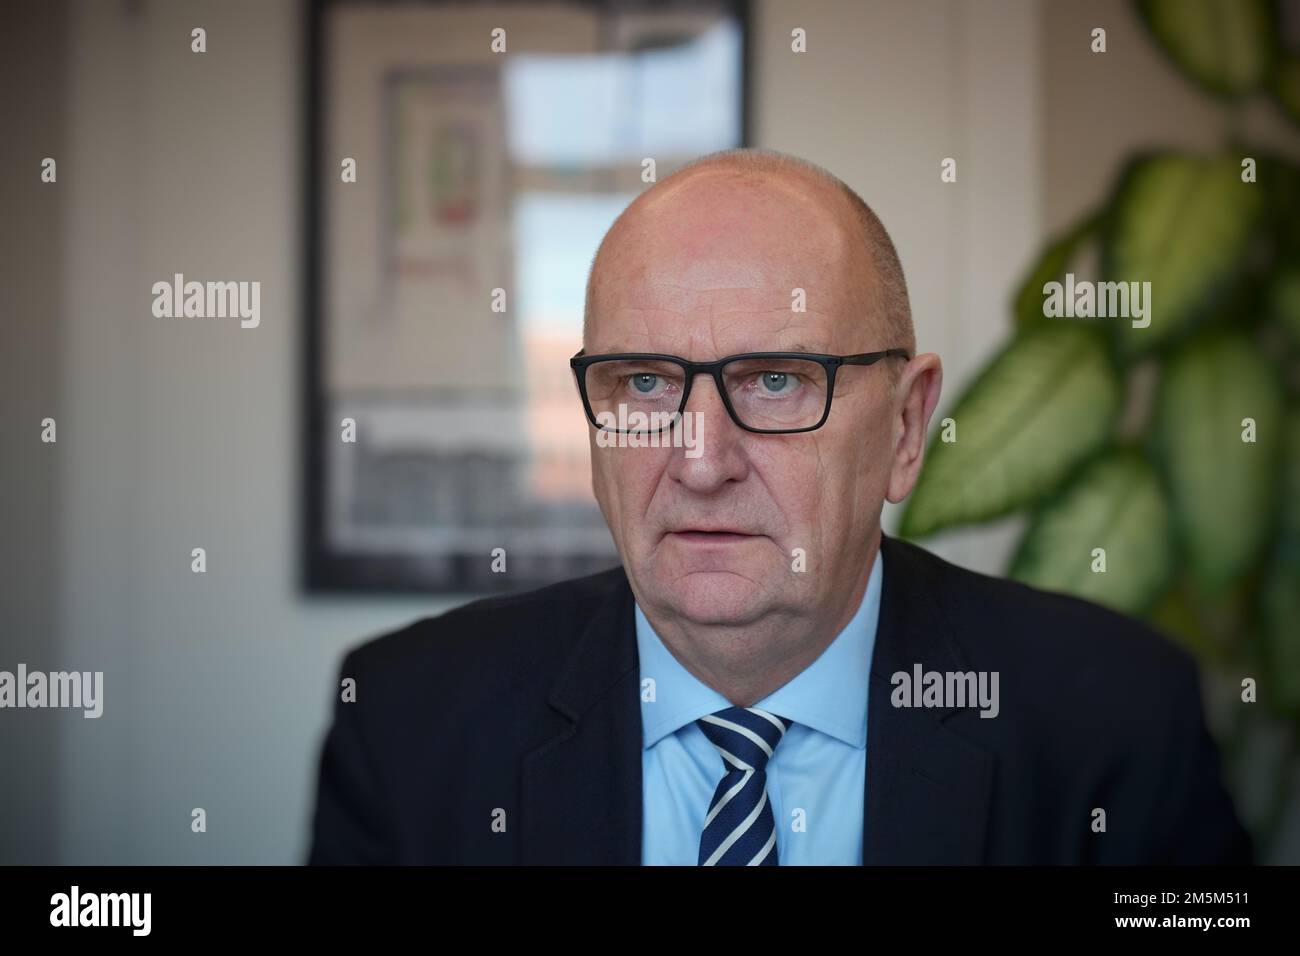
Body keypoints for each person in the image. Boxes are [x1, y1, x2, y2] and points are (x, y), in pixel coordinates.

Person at [307, 148, 1250, 865]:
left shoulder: (1115, 722)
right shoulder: (405, 725)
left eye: (776, 381)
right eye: (642, 383)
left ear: (908, 429)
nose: (701, 460)